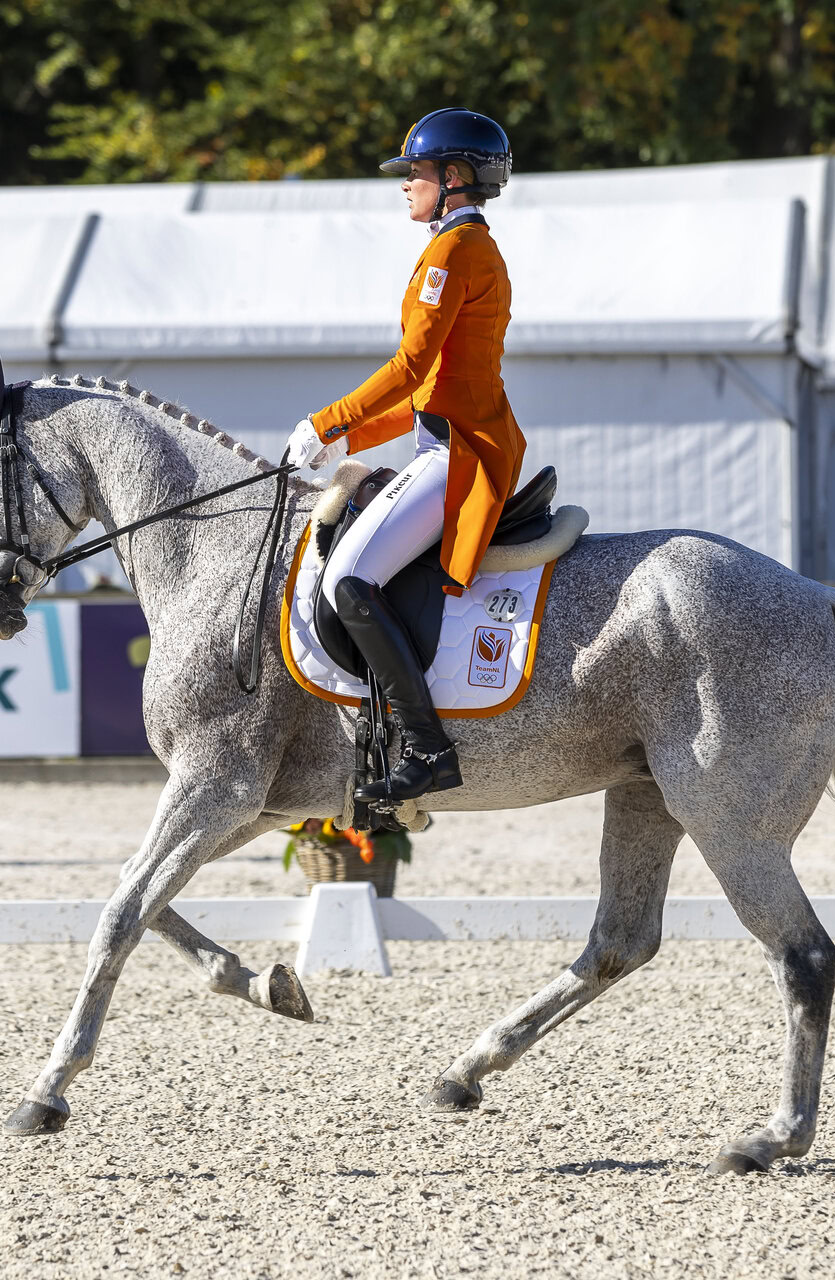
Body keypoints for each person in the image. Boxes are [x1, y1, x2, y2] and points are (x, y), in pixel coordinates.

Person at [285, 107, 524, 804]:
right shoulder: (463, 245)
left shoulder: (455, 252)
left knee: (350, 581)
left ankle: (426, 745)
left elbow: (408, 362)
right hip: (449, 438)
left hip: (461, 457)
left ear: (453, 178)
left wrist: (325, 419)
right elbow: (427, 388)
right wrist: (344, 440)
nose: (405, 184)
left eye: (415, 172)